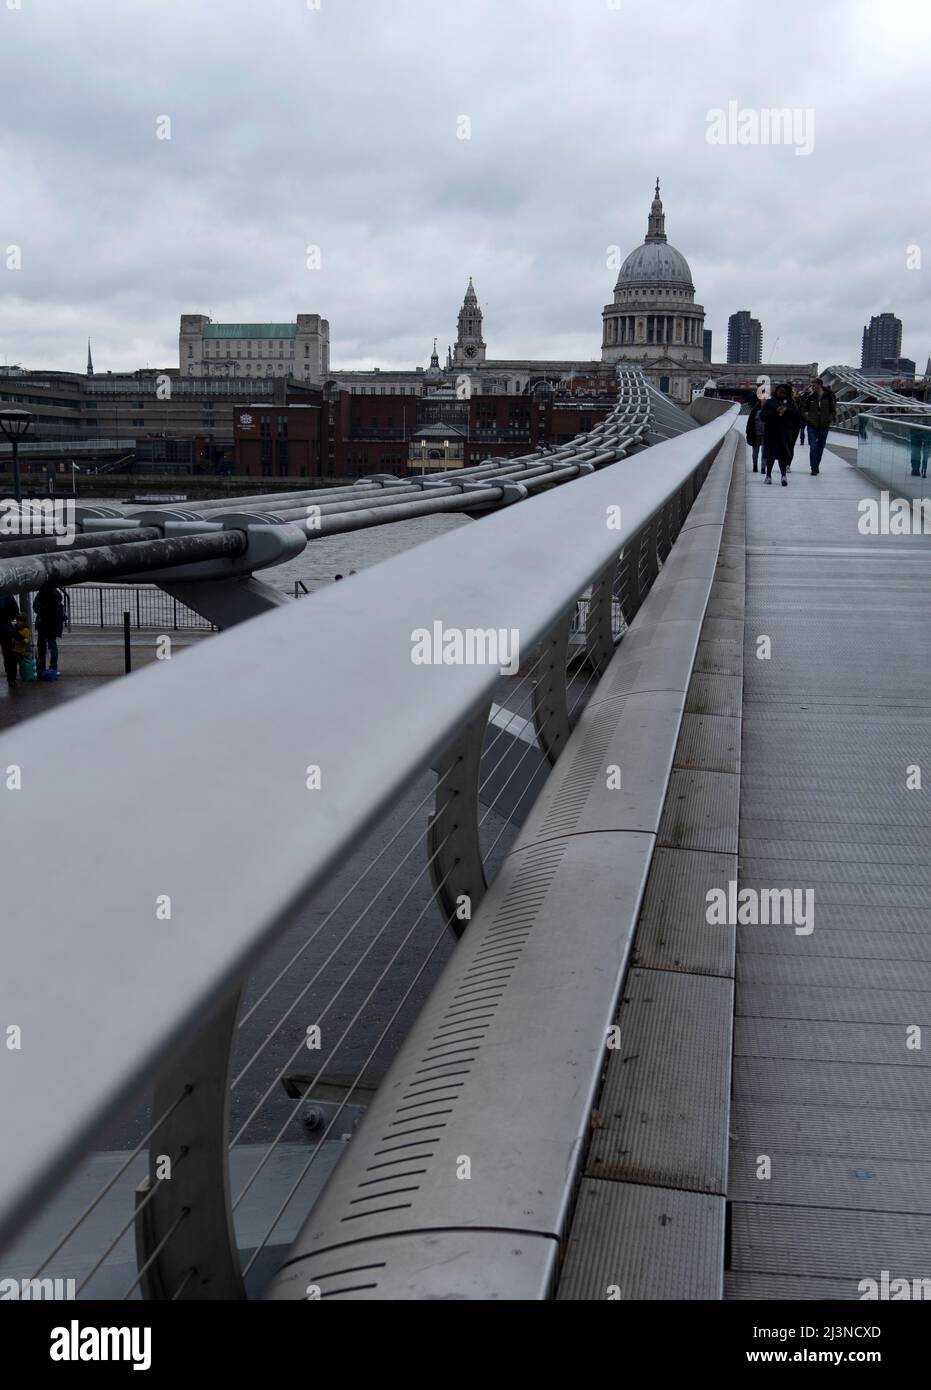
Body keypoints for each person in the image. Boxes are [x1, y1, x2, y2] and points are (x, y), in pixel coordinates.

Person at [760, 384, 801, 486]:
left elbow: (797, 415)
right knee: (771, 455)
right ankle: (768, 475)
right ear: (776, 392)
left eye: (784, 392)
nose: (782, 394)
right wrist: (775, 412)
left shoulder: (790, 403)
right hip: (771, 432)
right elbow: (762, 416)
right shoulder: (770, 402)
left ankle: (783, 476)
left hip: (784, 432)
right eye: (780, 392)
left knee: (783, 455)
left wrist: (787, 411)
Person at [802, 376, 836, 475]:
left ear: (820, 385)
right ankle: (813, 468)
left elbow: (833, 411)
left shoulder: (829, 396)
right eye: (812, 385)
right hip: (812, 425)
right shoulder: (810, 397)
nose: (812, 387)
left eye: (814, 385)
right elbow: (803, 410)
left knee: (820, 447)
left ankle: (816, 465)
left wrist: (828, 420)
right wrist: (808, 419)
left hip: (824, 426)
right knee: (813, 447)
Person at [33, 582, 67, 677]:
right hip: (53, 624)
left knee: (42, 646)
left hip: (43, 623)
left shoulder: (42, 593)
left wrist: (41, 611)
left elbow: (35, 605)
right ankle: (53, 667)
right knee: (52, 646)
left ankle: (42, 667)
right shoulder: (56, 595)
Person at [0, 593, 18, 687]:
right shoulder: (7, 595)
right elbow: (15, 611)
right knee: (9, 654)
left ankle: (11, 677)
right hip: (5, 627)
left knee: (9, 655)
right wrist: (7, 619)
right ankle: (11, 678)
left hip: (5, 626)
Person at [745, 393, 766, 472]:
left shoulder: (768, 409)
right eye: (763, 399)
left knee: (764, 452)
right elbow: (750, 422)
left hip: (765, 434)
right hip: (755, 434)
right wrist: (748, 432)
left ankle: (763, 467)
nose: (764, 400)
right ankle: (755, 465)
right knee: (755, 452)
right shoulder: (755, 410)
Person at [10, 609, 33, 679]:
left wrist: (24, 641)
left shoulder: (26, 630)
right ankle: (13, 676)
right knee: (13, 664)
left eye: (20, 621)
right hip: (14, 650)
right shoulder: (14, 629)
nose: (19, 623)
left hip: (21, 651)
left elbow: (28, 639)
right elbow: (11, 637)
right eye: (17, 621)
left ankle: (23, 675)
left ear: (24, 622)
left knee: (21, 664)